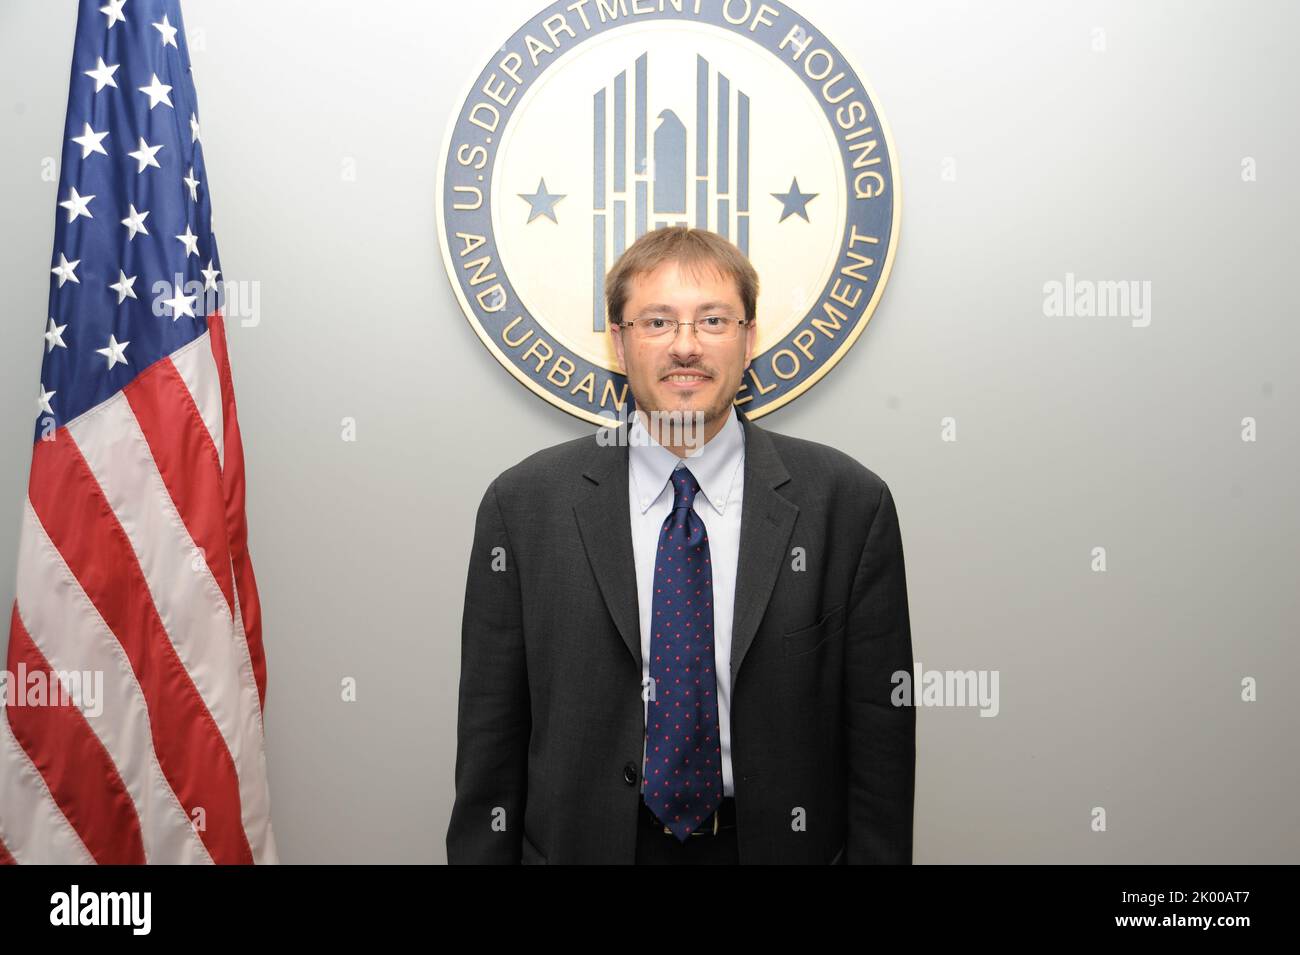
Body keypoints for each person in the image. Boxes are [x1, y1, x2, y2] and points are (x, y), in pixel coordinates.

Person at [447, 226, 915, 864]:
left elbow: (880, 751)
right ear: (618, 342)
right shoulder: (523, 507)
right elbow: (490, 741)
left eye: (714, 320)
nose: (686, 346)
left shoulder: (848, 505)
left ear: (750, 339)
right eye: (658, 322)